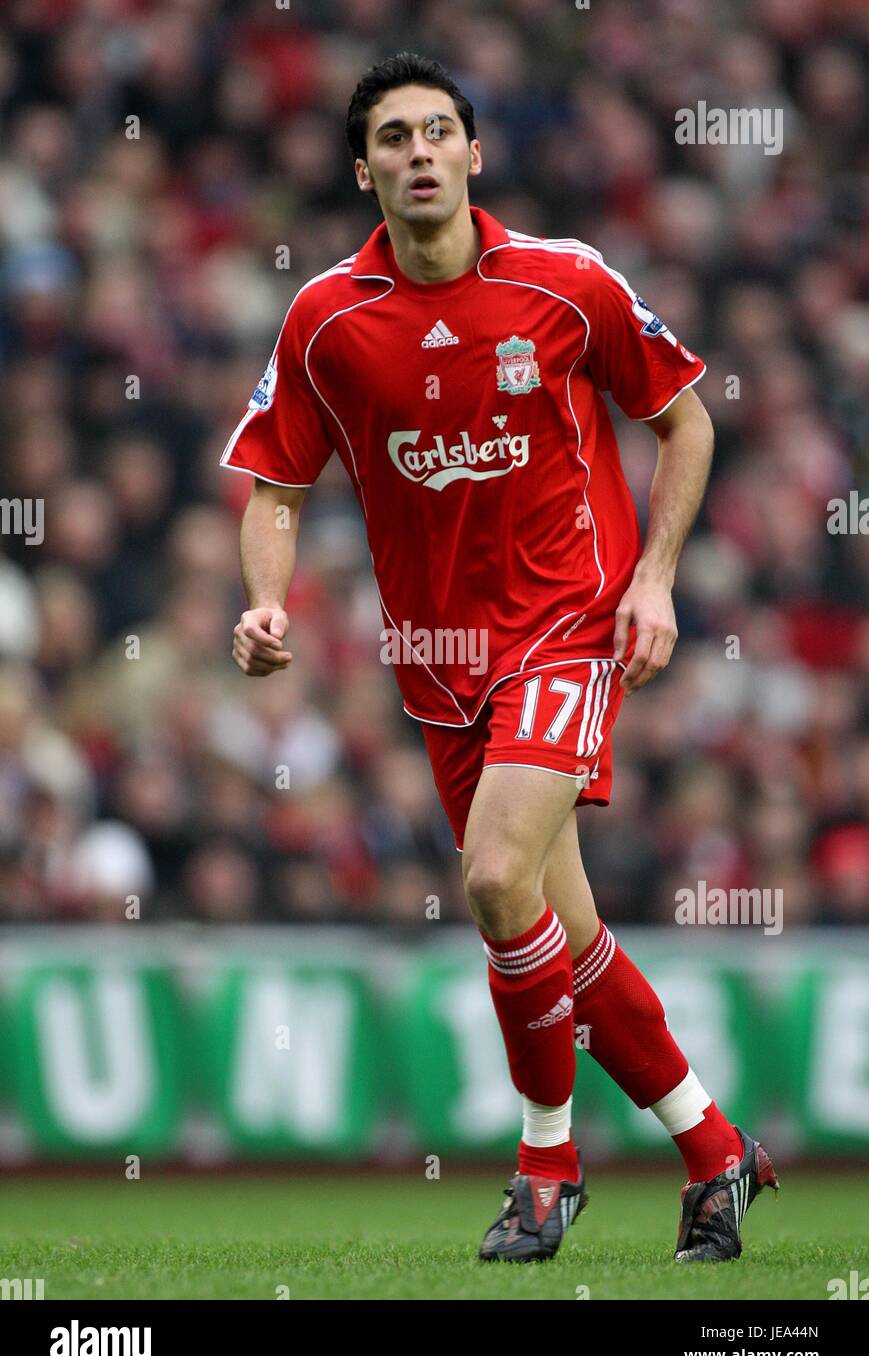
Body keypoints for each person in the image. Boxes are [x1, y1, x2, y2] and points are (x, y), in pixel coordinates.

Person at [221, 52, 778, 1263]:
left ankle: (544, 1167)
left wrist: (656, 578)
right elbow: (273, 482)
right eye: (391, 138)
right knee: (554, 932)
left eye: (436, 133)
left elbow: (684, 415)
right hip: (436, 662)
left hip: (568, 624)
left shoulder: (566, 284)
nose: (417, 153)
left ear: (474, 155)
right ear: (361, 168)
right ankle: (712, 1146)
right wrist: (265, 603)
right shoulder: (326, 318)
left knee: (486, 883)